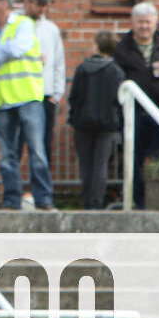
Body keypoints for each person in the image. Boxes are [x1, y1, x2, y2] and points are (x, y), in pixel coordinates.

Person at [0, 0, 54, 210]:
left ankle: (43, 199)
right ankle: (12, 200)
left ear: (3, 3)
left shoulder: (24, 24)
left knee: (37, 152)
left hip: (28, 95)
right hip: (2, 99)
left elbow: (19, 48)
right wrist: (2, 53)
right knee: (6, 155)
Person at [113, 1, 159, 208]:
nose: (144, 26)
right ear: (133, 23)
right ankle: (137, 202)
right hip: (133, 113)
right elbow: (116, 80)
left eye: (148, 22)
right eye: (140, 23)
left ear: (155, 23)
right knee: (134, 158)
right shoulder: (122, 49)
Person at [68, 31, 125, 209]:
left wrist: (75, 116)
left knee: (86, 165)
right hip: (107, 124)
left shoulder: (82, 69)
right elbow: (119, 100)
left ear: (97, 46)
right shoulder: (116, 71)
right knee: (101, 166)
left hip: (83, 123)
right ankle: (96, 202)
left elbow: (74, 97)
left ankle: (86, 201)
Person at [23, 0, 66, 167]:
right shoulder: (16, 25)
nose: (42, 8)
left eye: (44, 4)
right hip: (20, 94)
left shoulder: (51, 29)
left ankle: (40, 192)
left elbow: (58, 62)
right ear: (26, 2)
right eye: (38, 3)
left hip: (44, 95)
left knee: (42, 146)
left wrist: (57, 94)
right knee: (16, 145)